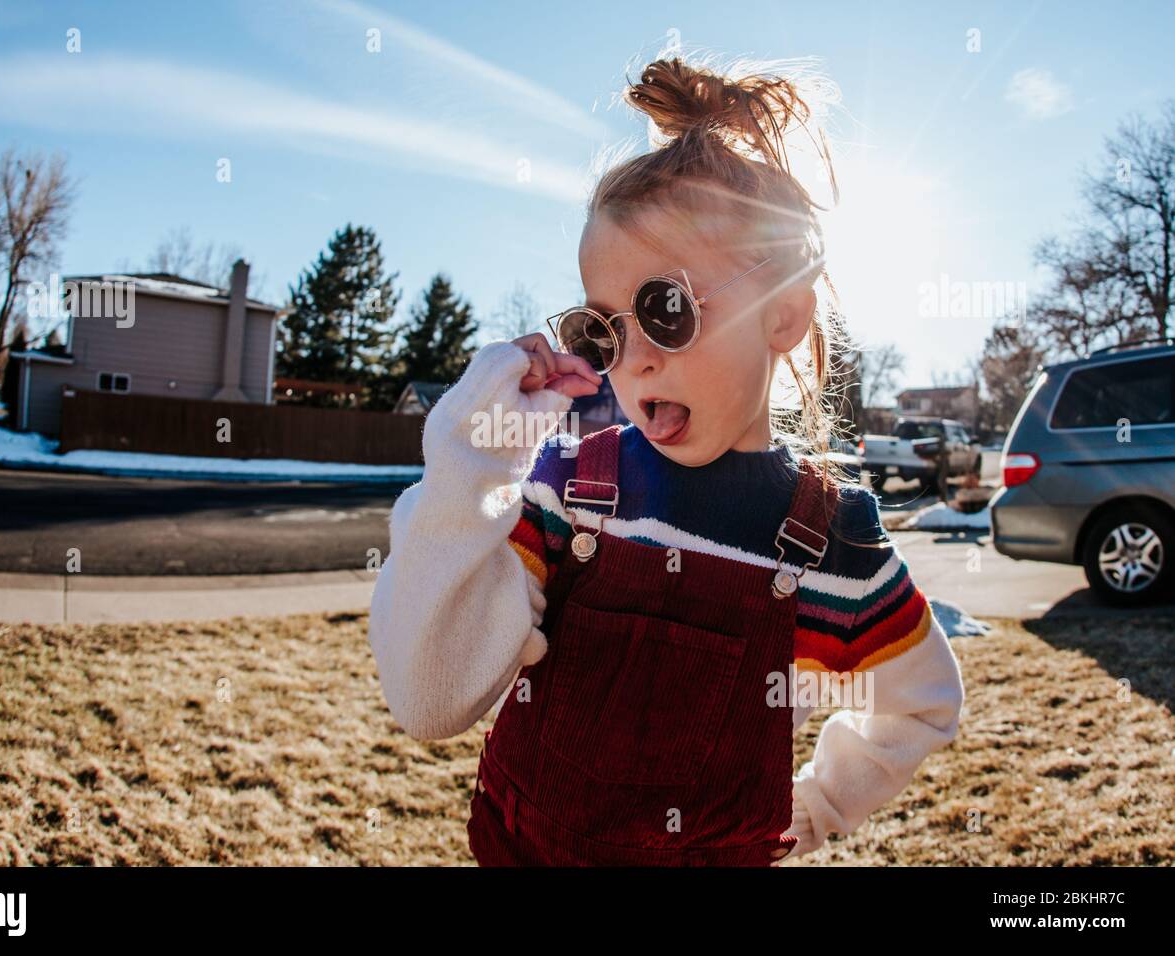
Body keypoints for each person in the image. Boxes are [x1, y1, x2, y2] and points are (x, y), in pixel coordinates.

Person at [368, 53, 964, 866]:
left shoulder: (833, 544)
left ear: (783, 312)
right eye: (601, 330)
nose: (634, 361)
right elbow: (429, 698)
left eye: (668, 308)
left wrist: (816, 808)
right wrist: (472, 462)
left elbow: (922, 704)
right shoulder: (567, 492)